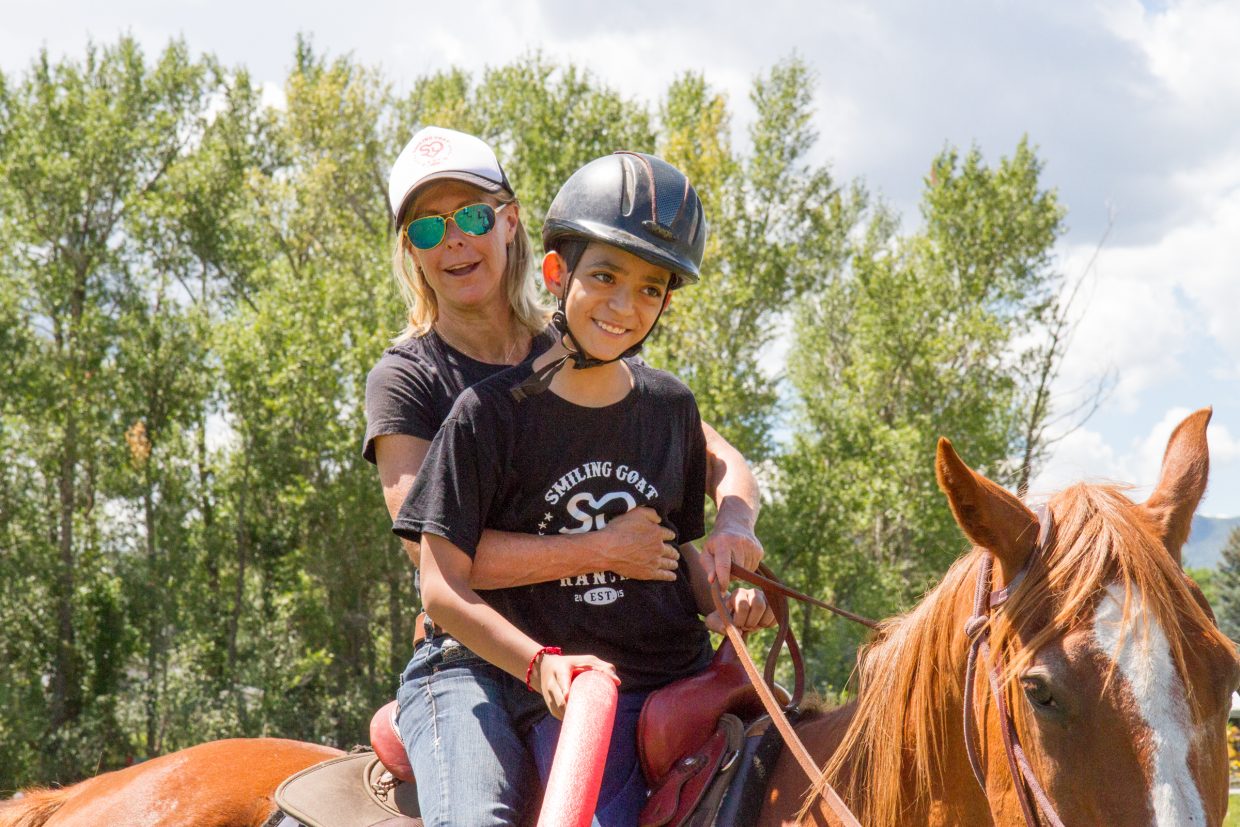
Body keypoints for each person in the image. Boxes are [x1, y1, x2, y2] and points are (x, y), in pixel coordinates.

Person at [394, 151, 774, 826]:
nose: (624, 306)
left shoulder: (669, 407)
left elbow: (669, 549)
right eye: (604, 277)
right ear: (556, 274)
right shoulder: (481, 414)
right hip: (560, 683)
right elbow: (440, 580)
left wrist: (727, 587)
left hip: (671, 675)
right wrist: (542, 662)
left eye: (650, 289)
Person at [364, 126, 763, 596]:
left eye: (472, 217)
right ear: (411, 250)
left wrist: (734, 529)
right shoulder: (405, 379)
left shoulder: (583, 340)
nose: (454, 240)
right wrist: (602, 549)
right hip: (481, 637)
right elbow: (429, 550)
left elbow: (713, 458)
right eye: (428, 228)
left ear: (509, 222)